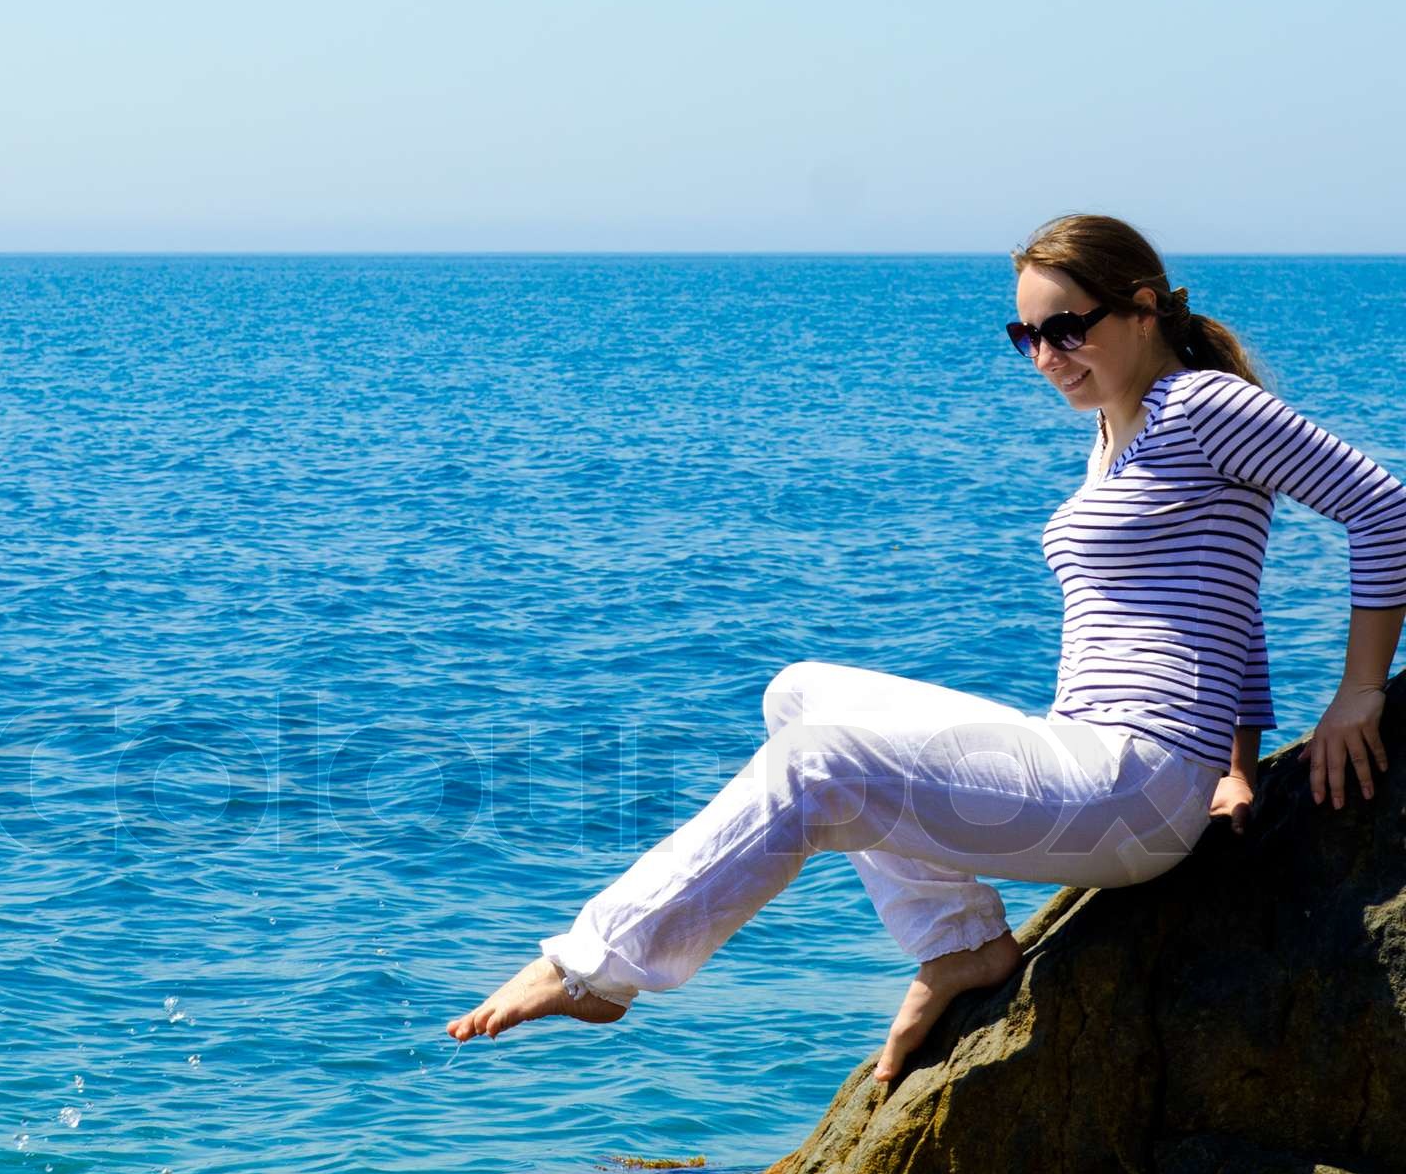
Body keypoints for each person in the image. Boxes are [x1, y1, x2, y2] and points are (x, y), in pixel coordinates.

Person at [446, 214, 1406, 1084]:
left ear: (1143, 309)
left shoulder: (1200, 407)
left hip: (1134, 784)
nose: (1047, 357)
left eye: (1067, 328)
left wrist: (1358, 695)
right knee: (800, 696)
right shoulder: (1117, 435)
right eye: (1025, 336)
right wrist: (1237, 765)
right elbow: (1218, 599)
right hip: (1102, 759)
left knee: (818, 765)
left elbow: (1384, 507)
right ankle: (958, 945)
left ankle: (596, 967)